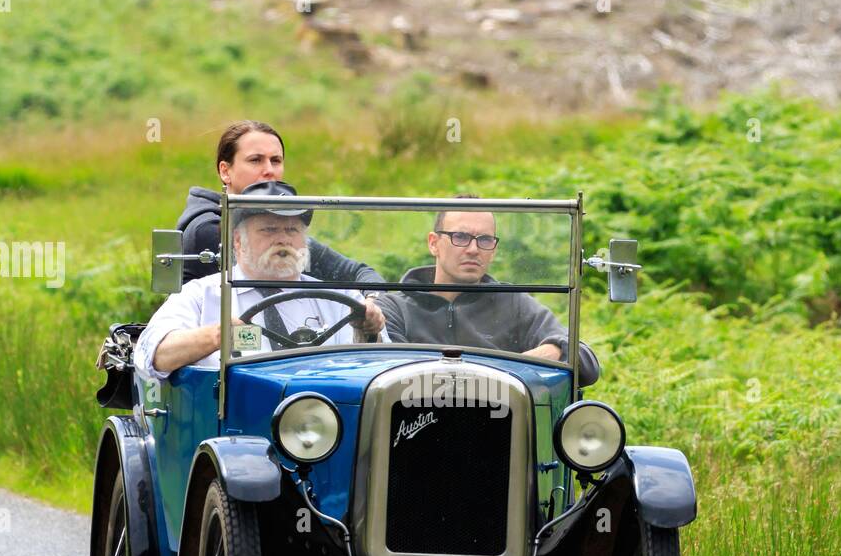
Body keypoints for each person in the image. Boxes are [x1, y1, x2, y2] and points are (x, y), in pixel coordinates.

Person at [136, 181, 386, 381]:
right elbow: (151, 356)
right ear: (237, 241)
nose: (283, 240)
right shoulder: (203, 295)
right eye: (269, 229)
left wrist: (367, 330)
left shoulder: (341, 300)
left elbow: (377, 373)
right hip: (231, 429)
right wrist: (217, 336)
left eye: (292, 230)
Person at [375, 200, 601, 386]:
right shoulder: (394, 308)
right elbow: (387, 374)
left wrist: (550, 352)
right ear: (434, 243)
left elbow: (585, 361)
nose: (473, 250)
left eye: (484, 240)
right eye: (460, 237)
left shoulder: (513, 302)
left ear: (493, 250)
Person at [176, 120, 381, 285]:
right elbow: (260, 294)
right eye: (255, 160)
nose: (269, 170)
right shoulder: (209, 229)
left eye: (276, 161)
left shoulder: (277, 221)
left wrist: (373, 300)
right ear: (225, 171)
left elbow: (356, 272)